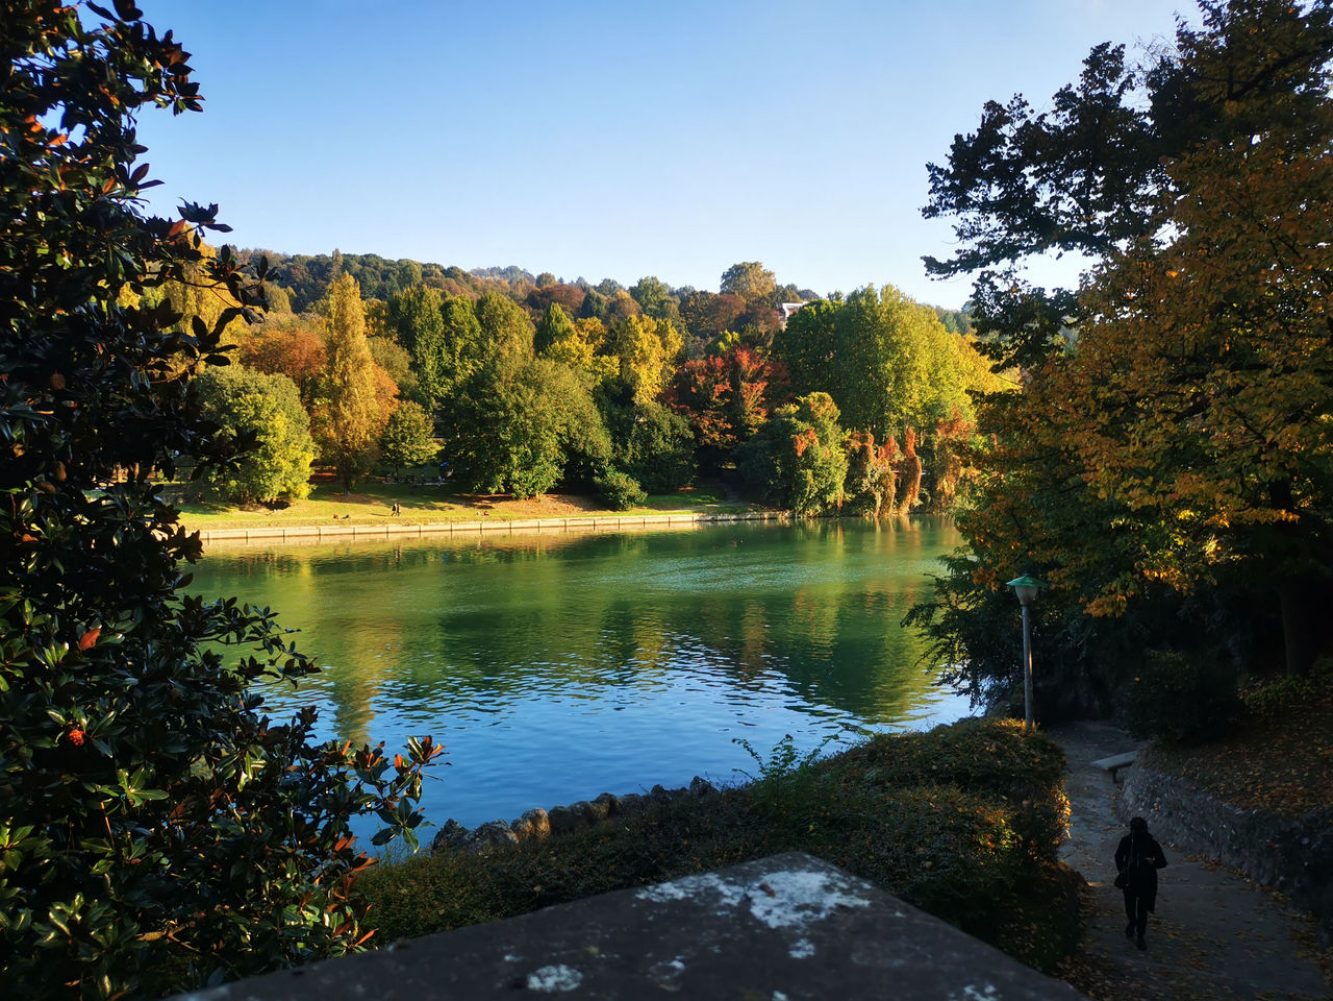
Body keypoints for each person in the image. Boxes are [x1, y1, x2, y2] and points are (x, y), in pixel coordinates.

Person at [1115, 816, 1168, 950]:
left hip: (1133, 880)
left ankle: (1134, 927)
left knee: (1131, 906)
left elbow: (1118, 856)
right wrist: (1153, 863)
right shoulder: (1150, 843)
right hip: (1146, 880)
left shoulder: (1127, 841)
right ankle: (1139, 933)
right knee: (1141, 909)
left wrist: (1122, 869)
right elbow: (1162, 862)